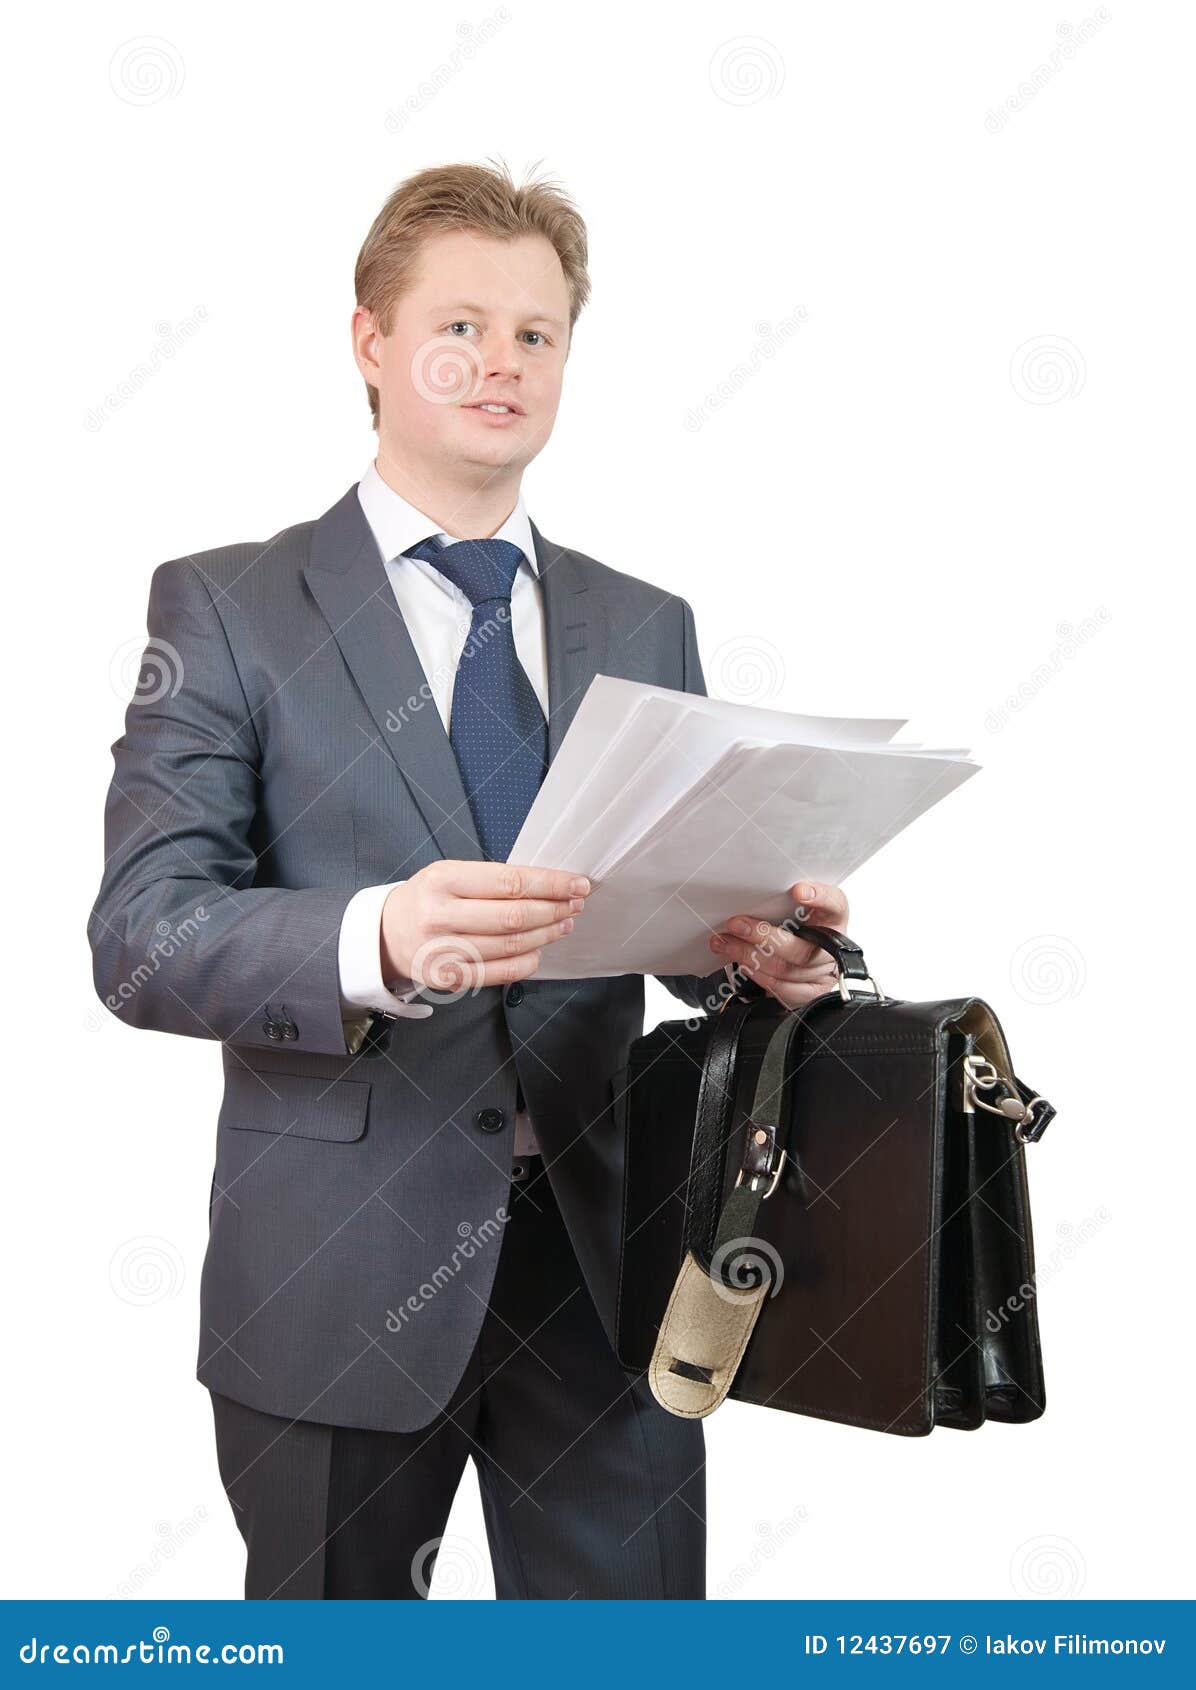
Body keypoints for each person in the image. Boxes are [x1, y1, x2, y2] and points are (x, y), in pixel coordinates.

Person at [88, 159, 848, 1601]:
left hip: (611, 1268)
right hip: (335, 1277)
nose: (502, 363)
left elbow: (679, 916)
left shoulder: (644, 618)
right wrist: (376, 934)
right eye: (460, 327)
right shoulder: (231, 609)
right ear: (370, 343)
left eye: (537, 334)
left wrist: (762, 950)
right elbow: (141, 934)